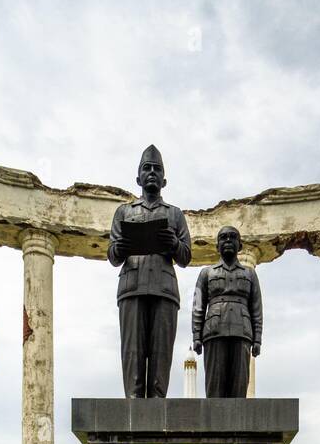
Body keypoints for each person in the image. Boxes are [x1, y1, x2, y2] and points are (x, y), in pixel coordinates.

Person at [108, 145, 192, 398]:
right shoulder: (124, 212)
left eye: (157, 169)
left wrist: (174, 244)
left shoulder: (175, 214)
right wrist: (120, 248)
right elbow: (112, 255)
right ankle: (133, 408)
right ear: (138, 178)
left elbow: (186, 256)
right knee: (132, 353)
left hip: (164, 290)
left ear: (164, 180)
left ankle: (157, 410)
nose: (152, 172)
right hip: (132, 287)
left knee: (161, 354)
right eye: (147, 168)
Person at [192, 225, 262, 397]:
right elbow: (198, 306)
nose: (228, 241)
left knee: (239, 388)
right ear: (217, 246)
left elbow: (256, 308)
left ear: (240, 245)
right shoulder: (206, 273)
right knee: (214, 386)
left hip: (242, 332)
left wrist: (258, 339)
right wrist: (196, 336)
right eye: (223, 237)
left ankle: (237, 424)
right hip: (214, 331)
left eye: (233, 237)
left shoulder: (250, 273)